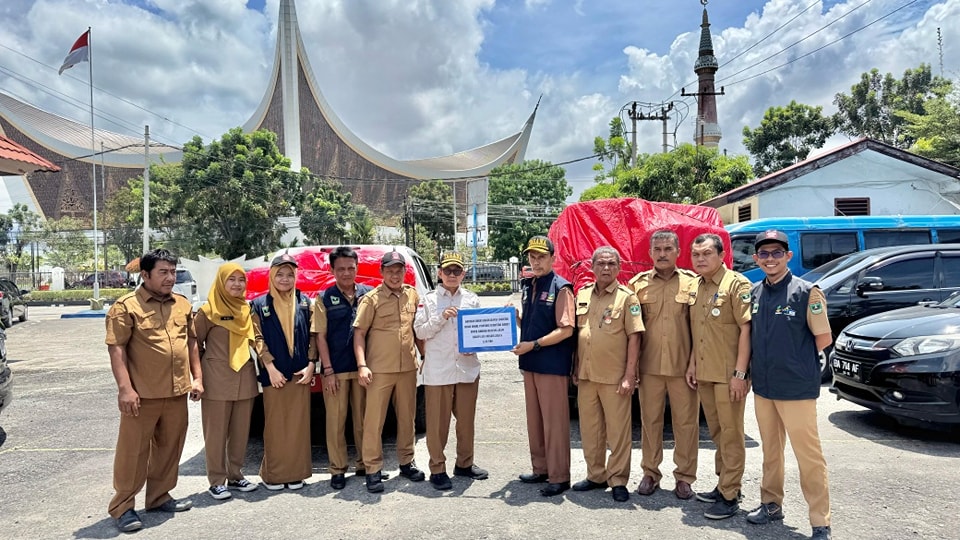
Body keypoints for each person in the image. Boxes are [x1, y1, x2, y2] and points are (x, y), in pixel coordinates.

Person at [104, 248, 202, 533]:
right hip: (141, 395)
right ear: (145, 275)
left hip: (176, 393)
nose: (170, 277)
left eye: (173, 271)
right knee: (132, 453)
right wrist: (125, 389)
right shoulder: (126, 307)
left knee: (170, 448)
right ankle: (123, 507)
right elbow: (116, 348)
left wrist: (198, 377)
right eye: (163, 272)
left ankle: (159, 497)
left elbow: (192, 342)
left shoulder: (182, 304)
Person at [746, 230, 833, 540]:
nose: (770, 259)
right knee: (771, 451)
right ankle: (771, 504)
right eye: (764, 254)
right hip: (765, 387)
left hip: (796, 388)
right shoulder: (755, 293)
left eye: (776, 253)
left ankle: (819, 520)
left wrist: (797, 364)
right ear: (756, 258)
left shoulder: (808, 292)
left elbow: (823, 338)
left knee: (807, 455)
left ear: (788, 256)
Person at [685, 233, 752, 520]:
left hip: (728, 375)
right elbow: (697, 332)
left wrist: (740, 374)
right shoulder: (696, 286)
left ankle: (730, 494)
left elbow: (746, 330)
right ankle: (723, 482)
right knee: (717, 433)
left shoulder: (736, 285)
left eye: (707, 254)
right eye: (696, 255)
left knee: (732, 434)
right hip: (705, 373)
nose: (701, 259)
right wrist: (691, 365)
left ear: (721, 255)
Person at [629, 230, 700, 500]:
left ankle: (684, 477)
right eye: (657, 249)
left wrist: (694, 362)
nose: (662, 254)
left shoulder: (693, 284)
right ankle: (650, 473)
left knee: (686, 424)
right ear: (650, 253)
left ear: (678, 251)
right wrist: (631, 367)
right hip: (649, 368)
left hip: (684, 368)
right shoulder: (637, 285)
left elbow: (699, 329)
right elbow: (632, 330)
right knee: (650, 422)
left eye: (668, 248)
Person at [571, 247, 643, 503]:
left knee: (618, 432)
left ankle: (618, 479)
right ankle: (596, 475)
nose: (606, 268)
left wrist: (629, 374)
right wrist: (576, 367)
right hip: (587, 375)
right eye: (601, 263)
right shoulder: (582, 294)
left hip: (615, 377)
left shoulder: (627, 299)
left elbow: (635, 337)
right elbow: (580, 334)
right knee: (590, 430)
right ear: (592, 266)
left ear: (619, 267)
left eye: (611, 264)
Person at [414, 252, 488, 491]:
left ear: (463, 274)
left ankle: (464, 464)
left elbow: (480, 330)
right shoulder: (429, 299)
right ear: (439, 273)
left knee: (466, 421)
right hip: (439, 370)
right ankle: (437, 468)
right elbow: (421, 332)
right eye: (448, 271)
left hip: (466, 368)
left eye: (457, 271)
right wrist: (440, 318)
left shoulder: (472, 298)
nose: (452, 275)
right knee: (437, 424)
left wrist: (474, 346)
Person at [354, 249, 426, 493]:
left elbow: (417, 330)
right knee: (374, 421)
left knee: (407, 418)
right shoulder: (371, 299)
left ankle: (407, 461)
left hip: (407, 368)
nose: (395, 275)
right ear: (382, 272)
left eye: (399, 270)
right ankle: (372, 469)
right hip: (379, 370)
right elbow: (359, 334)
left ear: (404, 272)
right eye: (390, 271)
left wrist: (424, 355)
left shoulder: (412, 295)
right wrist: (362, 365)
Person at [511, 235, 575, 497]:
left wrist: (534, 344)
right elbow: (532, 322)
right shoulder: (530, 285)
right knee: (535, 420)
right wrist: (515, 320)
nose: (536, 262)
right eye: (532, 257)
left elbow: (566, 329)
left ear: (552, 258)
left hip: (550, 364)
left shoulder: (561, 287)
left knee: (554, 422)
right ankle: (541, 469)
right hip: (531, 362)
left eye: (541, 257)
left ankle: (559, 476)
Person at [250, 253, 316, 491]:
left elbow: (313, 336)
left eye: (290, 274)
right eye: (280, 274)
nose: (285, 279)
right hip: (274, 375)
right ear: (272, 276)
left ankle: (296, 474)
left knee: (298, 426)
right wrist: (269, 366)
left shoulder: (305, 302)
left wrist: (311, 364)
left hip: (300, 373)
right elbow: (256, 339)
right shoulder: (259, 305)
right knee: (276, 426)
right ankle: (273, 475)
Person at [195, 262, 259, 501]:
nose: (236, 284)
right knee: (216, 433)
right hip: (217, 380)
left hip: (244, 378)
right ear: (221, 282)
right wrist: (201, 373)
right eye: (231, 279)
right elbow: (194, 343)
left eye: (241, 280)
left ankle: (235, 474)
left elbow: (257, 340)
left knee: (240, 432)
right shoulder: (208, 311)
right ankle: (216, 480)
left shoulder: (247, 310)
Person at [313, 246, 374, 490]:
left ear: (357, 268)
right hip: (335, 371)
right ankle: (337, 469)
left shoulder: (369, 295)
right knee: (336, 422)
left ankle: (364, 464)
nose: (347, 273)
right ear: (332, 270)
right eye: (341, 269)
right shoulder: (324, 298)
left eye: (351, 268)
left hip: (362, 369)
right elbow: (320, 337)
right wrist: (327, 370)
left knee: (363, 420)